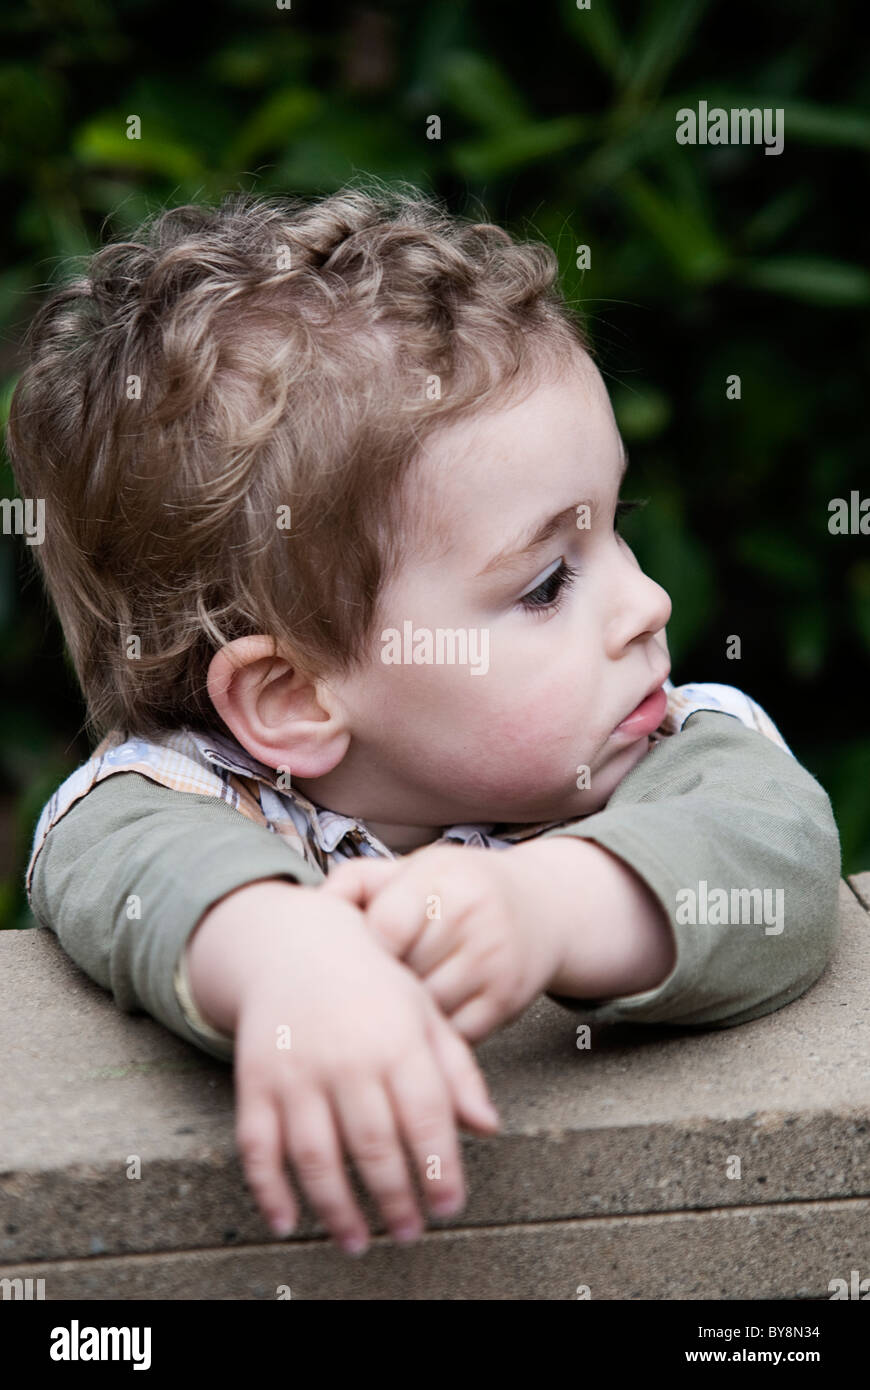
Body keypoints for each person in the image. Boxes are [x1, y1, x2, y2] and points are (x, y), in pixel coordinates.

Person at [8, 179, 841, 1260]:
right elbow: (114, 866)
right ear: (296, 698)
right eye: (548, 581)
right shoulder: (186, 799)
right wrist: (287, 958)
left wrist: (543, 902)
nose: (648, 602)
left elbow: (776, 852)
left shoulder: (656, 747)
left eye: (616, 525)